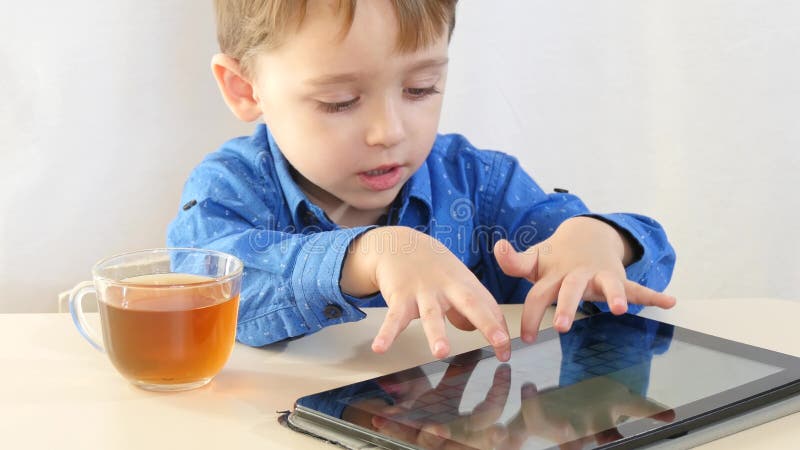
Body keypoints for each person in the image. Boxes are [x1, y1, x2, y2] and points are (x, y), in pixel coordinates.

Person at [167, 0, 676, 363]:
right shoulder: (231, 189)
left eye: (420, 88)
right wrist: (367, 254)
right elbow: (201, 294)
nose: (388, 131)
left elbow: (603, 273)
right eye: (340, 101)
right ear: (244, 88)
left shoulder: (478, 184)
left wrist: (597, 242)